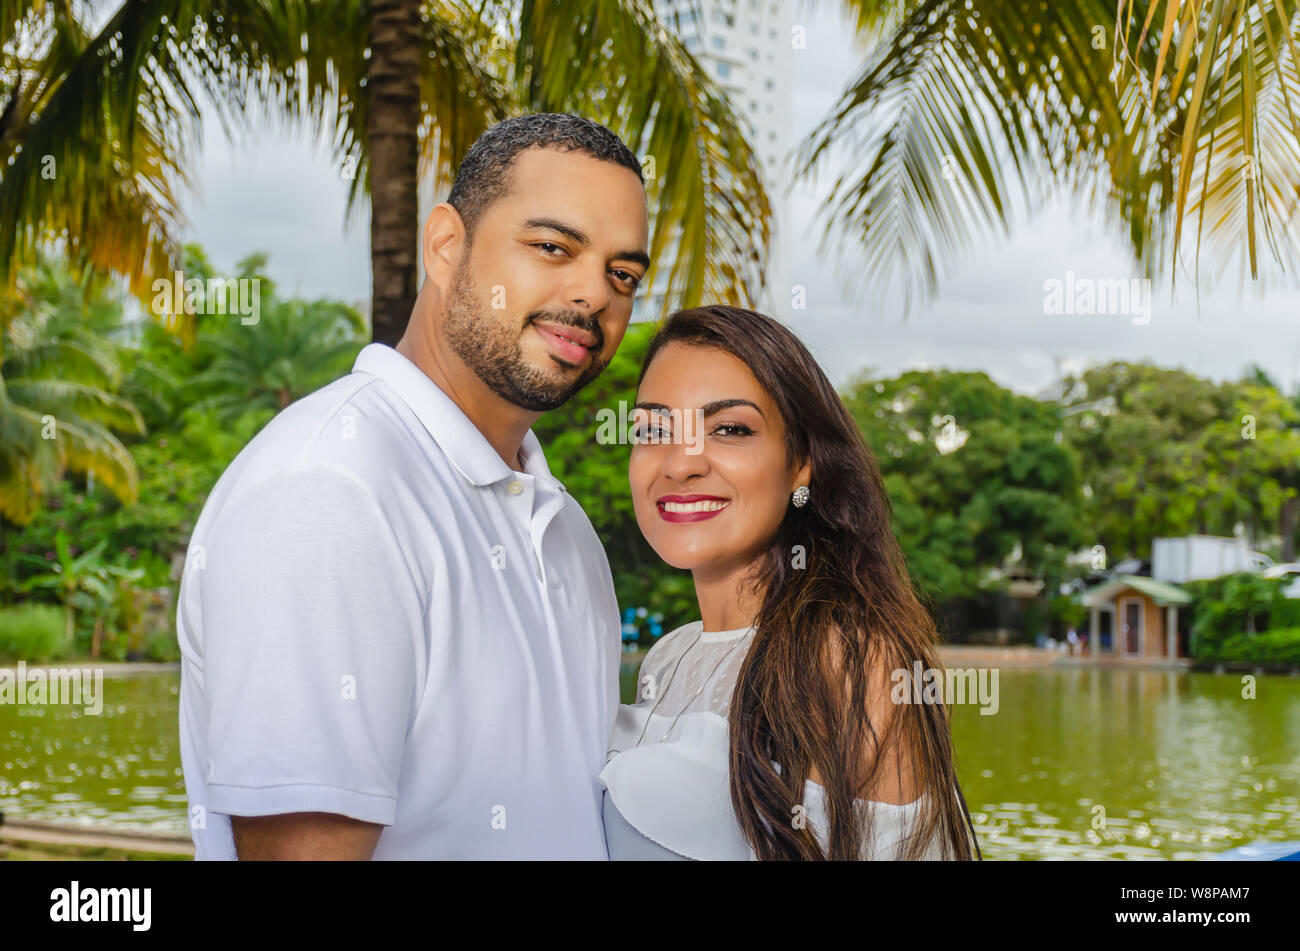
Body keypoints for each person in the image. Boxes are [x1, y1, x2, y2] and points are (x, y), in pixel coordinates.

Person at [178, 114, 650, 859]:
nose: (594, 293)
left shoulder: (568, 532)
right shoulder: (332, 488)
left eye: (623, 274)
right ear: (445, 245)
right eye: (552, 246)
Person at [600, 306, 981, 860]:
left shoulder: (851, 660)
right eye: (654, 429)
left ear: (801, 461)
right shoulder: (669, 656)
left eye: (729, 429)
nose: (680, 464)